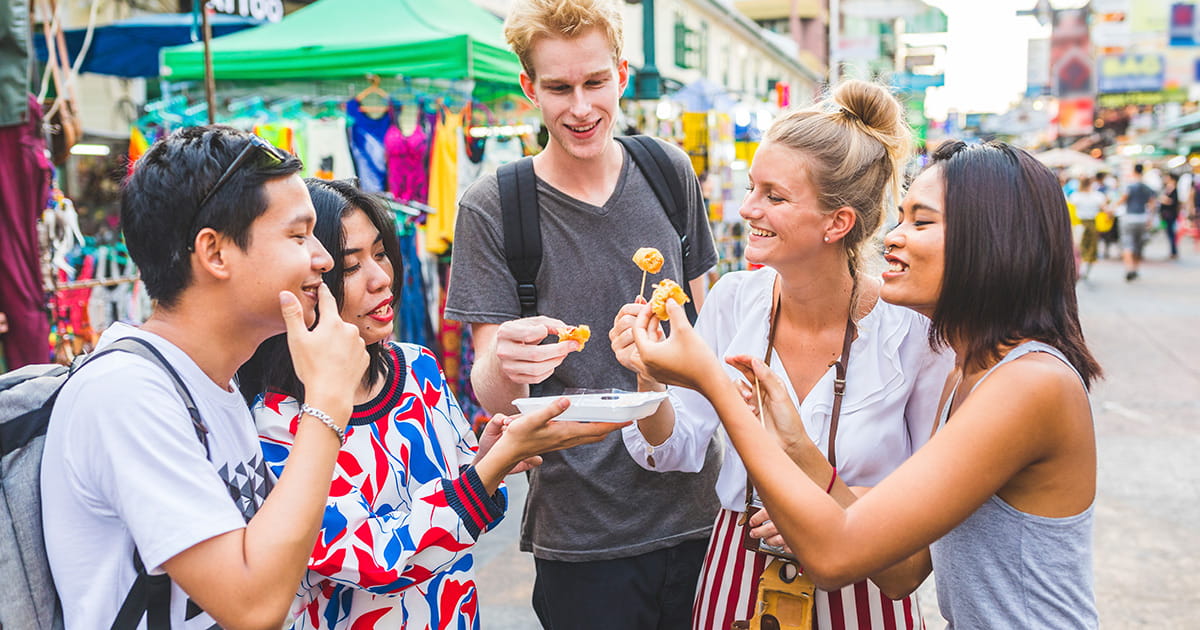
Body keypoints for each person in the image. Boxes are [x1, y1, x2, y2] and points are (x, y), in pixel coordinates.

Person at [631, 140, 1103, 629]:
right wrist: (795, 443)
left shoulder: (1028, 384)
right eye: (900, 219)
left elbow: (836, 556)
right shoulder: (972, 373)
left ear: (993, 242)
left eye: (921, 222)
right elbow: (903, 572)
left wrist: (712, 382)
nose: (893, 239)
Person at [610, 80, 953, 630]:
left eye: (773, 195)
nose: (747, 209)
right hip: (738, 578)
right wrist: (648, 377)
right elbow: (676, 450)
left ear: (837, 223)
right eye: (752, 188)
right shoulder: (732, 300)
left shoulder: (911, 329)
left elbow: (932, 495)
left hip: (863, 585)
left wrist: (832, 506)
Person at [240, 179, 626, 629]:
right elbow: (365, 562)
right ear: (309, 281)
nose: (381, 278)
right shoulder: (280, 422)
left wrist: (490, 458)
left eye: (381, 254)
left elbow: (464, 510)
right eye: (350, 267)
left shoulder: (417, 368)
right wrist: (493, 465)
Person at [444, 0, 721, 627]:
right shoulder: (495, 206)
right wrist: (507, 363)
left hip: (699, 509)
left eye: (595, 83)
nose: (580, 108)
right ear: (528, 88)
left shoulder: (667, 172)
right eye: (558, 87)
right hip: (582, 531)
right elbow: (492, 391)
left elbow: (712, 328)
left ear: (621, 74)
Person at [40, 126, 371, 629]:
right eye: (299, 236)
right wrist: (326, 401)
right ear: (215, 253)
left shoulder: (210, 384)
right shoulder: (125, 394)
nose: (322, 259)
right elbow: (252, 606)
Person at [1118, 163, 1156, 280]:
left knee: (1127, 244)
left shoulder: (1129, 186)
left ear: (1134, 171)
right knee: (1138, 245)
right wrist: (1150, 218)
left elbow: (1123, 199)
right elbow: (1152, 204)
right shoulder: (1147, 187)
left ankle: (1129, 268)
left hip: (1129, 218)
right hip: (1142, 218)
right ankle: (1135, 268)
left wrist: (1111, 207)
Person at [1068, 175, 1107, 279]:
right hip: (1092, 223)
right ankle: (1086, 270)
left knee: (1079, 247)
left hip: (1078, 224)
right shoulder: (1097, 196)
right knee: (1091, 248)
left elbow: (1070, 211)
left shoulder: (1075, 196)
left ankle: (1079, 268)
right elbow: (1105, 209)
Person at [1159, 172, 1181, 260]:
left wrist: (1163, 199)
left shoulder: (1174, 189)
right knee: (1169, 233)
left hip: (1170, 215)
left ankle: (1174, 251)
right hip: (1166, 215)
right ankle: (1173, 251)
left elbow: (1173, 202)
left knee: (1171, 233)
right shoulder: (1167, 188)